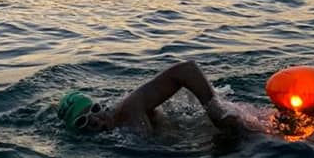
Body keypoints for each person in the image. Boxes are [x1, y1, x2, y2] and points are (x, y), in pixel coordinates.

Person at [56, 60, 244, 135]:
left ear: (101, 105)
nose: (94, 120)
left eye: (94, 109)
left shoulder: (129, 109)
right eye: (83, 121)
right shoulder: (119, 133)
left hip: (231, 130)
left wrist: (215, 110)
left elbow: (186, 70)